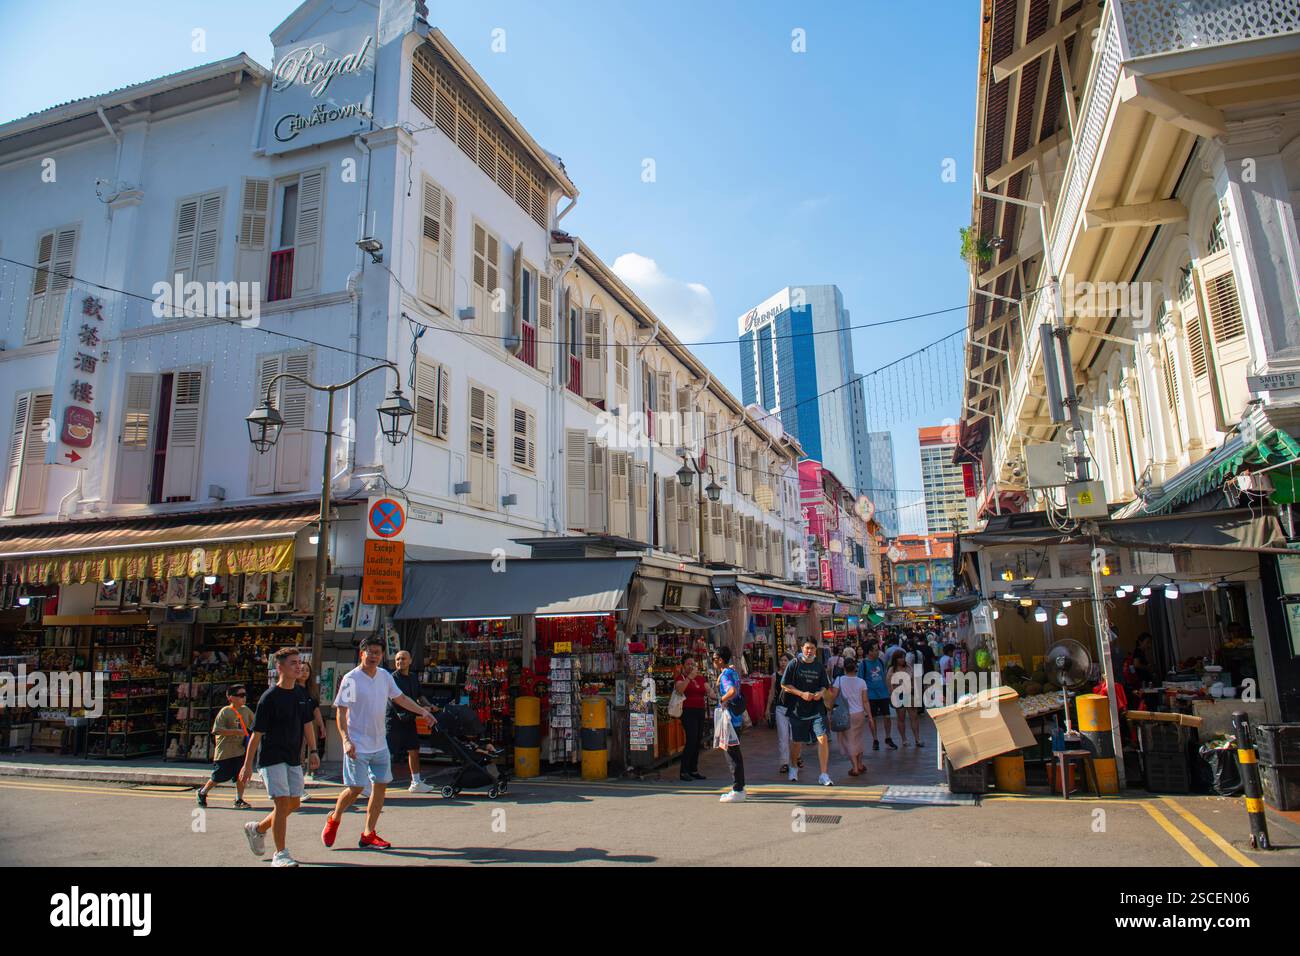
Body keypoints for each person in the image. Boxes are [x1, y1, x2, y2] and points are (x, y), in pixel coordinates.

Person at [321, 637, 436, 851]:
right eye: (370, 652)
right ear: (361, 653)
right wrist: (346, 740)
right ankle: (334, 818)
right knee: (355, 788)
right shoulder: (351, 679)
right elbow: (342, 711)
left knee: (380, 787)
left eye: (378, 653)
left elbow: (401, 699)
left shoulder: (384, 676)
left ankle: (368, 834)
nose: (374, 656)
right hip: (357, 744)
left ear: (382, 656)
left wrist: (423, 712)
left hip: (379, 743)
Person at [239, 648, 319, 867]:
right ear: (280, 667)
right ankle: (281, 854)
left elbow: (307, 724)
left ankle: (258, 828)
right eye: (293, 663)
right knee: (282, 803)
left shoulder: (301, 695)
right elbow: (256, 735)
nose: (299, 666)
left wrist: (313, 751)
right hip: (271, 757)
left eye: (299, 662)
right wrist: (247, 765)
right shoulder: (269, 698)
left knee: (293, 804)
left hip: (293, 757)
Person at [781, 638, 834, 786]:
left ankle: (824, 774)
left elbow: (825, 685)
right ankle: (793, 766)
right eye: (806, 648)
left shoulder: (819, 666)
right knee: (797, 742)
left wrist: (820, 693)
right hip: (798, 709)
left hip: (817, 709)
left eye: (812, 648)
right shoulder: (794, 664)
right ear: (801, 648)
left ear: (816, 650)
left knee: (822, 737)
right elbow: (784, 685)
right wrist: (801, 694)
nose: (809, 651)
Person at [197, 685, 254, 809]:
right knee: (218, 777)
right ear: (231, 697)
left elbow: (255, 724)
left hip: (240, 750)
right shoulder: (225, 711)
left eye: (244, 695)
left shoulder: (246, 710)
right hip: (225, 752)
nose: (243, 698)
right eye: (240, 695)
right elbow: (216, 730)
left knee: (241, 775)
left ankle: (239, 799)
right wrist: (235, 732)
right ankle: (203, 791)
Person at [387, 649, 433, 793]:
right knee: (386, 752)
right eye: (398, 659)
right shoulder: (392, 678)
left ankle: (416, 782)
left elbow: (420, 696)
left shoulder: (413, 677)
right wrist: (422, 709)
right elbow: (399, 700)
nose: (400, 662)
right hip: (393, 721)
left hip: (409, 720)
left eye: (403, 659)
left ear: (410, 661)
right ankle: (372, 782)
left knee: (413, 749)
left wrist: (429, 705)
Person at [713, 646, 746, 802]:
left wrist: (721, 699)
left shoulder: (726, 674)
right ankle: (740, 787)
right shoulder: (731, 672)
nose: (713, 662)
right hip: (736, 719)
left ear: (720, 660)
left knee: (731, 755)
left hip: (729, 720)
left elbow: (731, 691)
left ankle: (738, 790)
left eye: (714, 659)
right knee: (735, 754)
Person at [830, 653, 871, 776]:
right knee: (858, 739)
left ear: (844, 668)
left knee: (849, 741)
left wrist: (829, 709)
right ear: (855, 668)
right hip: (859, 714)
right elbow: (865, 701)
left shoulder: (839, 680)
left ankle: (855, 768)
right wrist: (869, 716)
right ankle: (860, 764)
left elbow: (833, 696)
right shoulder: (862, 682)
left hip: (845, 714)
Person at [673, 655, 709, 782]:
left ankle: (693, 769)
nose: (691, 666)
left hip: (700, 710)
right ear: (683, 665)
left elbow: (708, 690)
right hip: (688, 712)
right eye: (688, 664)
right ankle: (684, 771)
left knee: (698, 739)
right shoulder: (681, 678)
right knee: (691, 739)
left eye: (692, 664)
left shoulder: (700, 678)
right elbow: (680, 689)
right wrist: (689, 678)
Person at [295, 661, 326, 800]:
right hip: (293, 728)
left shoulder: (310, 691)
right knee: (297, 758)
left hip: (305, 729)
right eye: (302, 669)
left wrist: (321, 726)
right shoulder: (293, 689)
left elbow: (316, 710)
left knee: (300, 758)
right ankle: (297, 790)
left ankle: (298, 790)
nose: (304, 672)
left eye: (307, 670)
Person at [765, 653, 795, 775]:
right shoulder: (775, 676)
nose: (783, 662)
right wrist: (767, 708)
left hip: (794, 709)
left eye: (785, 660)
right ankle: (784, 762)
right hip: (780, 708)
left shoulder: (795, 675)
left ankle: (795, 758)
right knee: (783, 736)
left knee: (795, 737)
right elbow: (772, 692)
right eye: (781, 660)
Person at [888, 651, 922, 746]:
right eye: (900, 657)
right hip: (899, 695)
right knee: (901, 718)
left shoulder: (909, 667)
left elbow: (914, 680)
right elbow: (889, 684)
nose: (902, 659)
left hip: (909, 693)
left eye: (903, 657)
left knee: (914, 717)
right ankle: (904, 739)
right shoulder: (892, 670)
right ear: (895, 659)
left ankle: (917, 738)